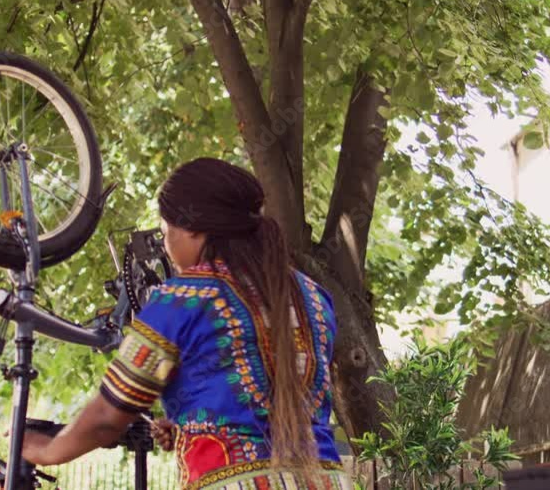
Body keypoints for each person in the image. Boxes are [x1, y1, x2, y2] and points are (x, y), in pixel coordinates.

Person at [20, 157, 352, 489]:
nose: (166, 245)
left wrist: (45, 449)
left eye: (166, 232)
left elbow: (107, 419)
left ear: (191, 228)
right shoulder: (313, 297)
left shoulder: (179, 299)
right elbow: (267, 398)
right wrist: (188, 428)